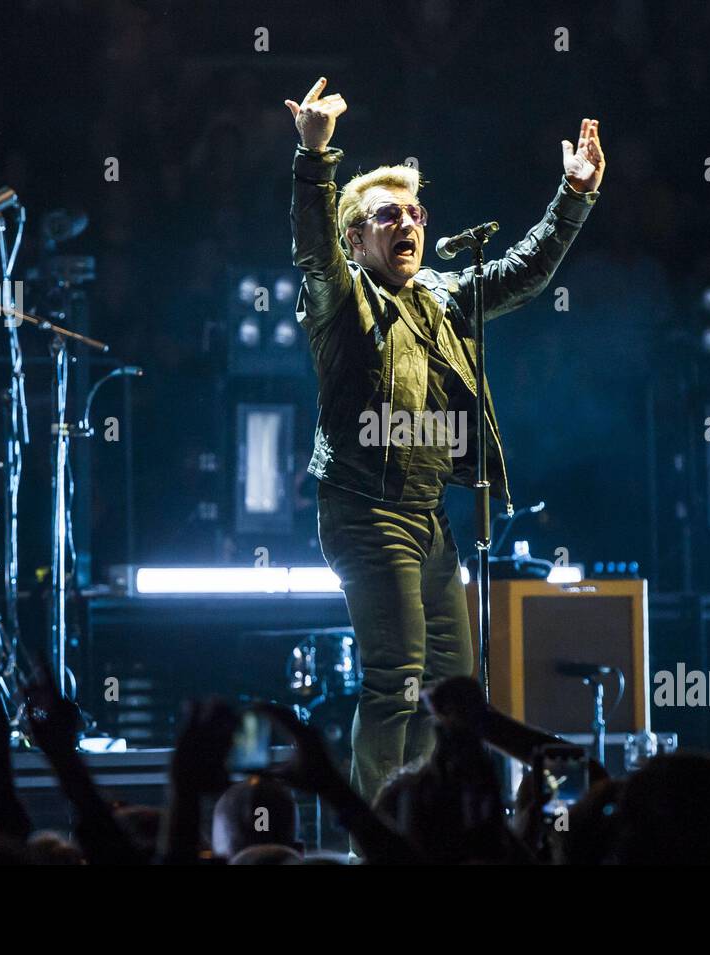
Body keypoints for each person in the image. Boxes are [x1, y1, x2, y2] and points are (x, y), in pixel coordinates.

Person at [285, 76, 605, 803]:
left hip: (429, 519)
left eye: (415, 211)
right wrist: (313, 159)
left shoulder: (442, 294)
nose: (407, 223)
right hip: (367, 512)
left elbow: (523, 270)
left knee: (451, 695)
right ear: (355, 237)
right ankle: (375, 836)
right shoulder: (341, 299)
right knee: (395, 681)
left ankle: (429, 827)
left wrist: (575, 195)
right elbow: (312, 252)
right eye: (386, 215)